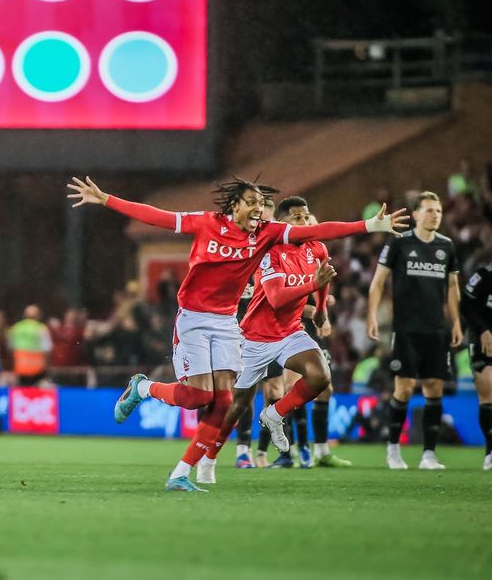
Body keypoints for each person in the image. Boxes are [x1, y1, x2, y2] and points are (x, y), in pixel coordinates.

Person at [67, 175, 407, 491]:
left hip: (227, 322)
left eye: (262, 204)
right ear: (235, 206)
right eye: (252, 202)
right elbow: (158, 216)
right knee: (198, 398)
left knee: (225, 401)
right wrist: (107, 199)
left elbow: (320, 232)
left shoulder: (267, 233)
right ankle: (142, 387)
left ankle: (181, 473)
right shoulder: (207, 223)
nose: (259, 209)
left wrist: (369, 225)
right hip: (194, 319)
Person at [197, 197, 345, 483]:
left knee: (320, 376)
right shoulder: (271, 251)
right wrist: (315, 285)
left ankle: (275, 414)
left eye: (307, 216)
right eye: (298, 218)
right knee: (237, 404)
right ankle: (207, 458)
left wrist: (322, 310)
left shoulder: (316, 248)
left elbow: (323, 275)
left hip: (290, 332)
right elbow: (276, 298)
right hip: (256, 337)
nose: (304, 222)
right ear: (283, 224)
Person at [367, 191, 462, 470]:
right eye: (430, 210)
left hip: (436, 330)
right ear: (417, 214)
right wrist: (372, 315)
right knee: (405, 389)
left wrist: (455, 322)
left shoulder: (447, 246)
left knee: (435, 389)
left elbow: (453, 288)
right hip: (406, 329)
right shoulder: (399, 242)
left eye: (439, 211)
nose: (435, 215)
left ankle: (429, 455)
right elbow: (378, 281)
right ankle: (393, 450)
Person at [233, 197, 275, 468]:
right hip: (230, 329)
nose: (264, 223)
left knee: (263, 391)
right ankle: (234, 449)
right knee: (219, 394)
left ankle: (253, 451)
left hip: (264, 332)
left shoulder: (274, 253)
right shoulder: (236, 248)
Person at [460, 261, 492, 469]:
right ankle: (490, 451)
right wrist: (482, 330)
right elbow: (466, 303)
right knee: (488, 391)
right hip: (483, 340)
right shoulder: (484, 275)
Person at [8, 305, 52, 384]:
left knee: (23, 391)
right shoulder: (41, 328)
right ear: (38, 316)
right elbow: (47, 349)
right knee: (37, 393)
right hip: (37, 368)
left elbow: (11, 348)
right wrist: (47, 366)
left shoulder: (16, 328)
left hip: (21, 367)